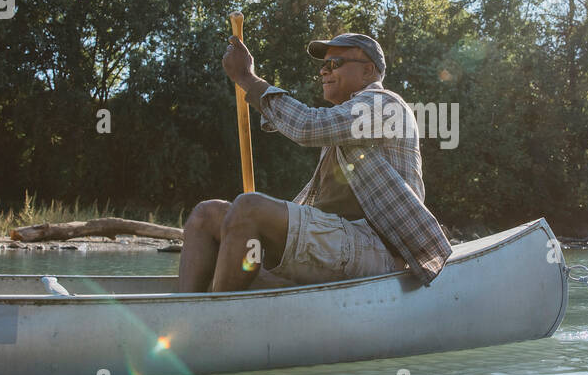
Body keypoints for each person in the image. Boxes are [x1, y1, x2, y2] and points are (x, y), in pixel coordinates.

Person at [177, 31, 452, 293]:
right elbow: (304, 124)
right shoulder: (345, 124)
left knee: (248, 208)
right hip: (337, 242)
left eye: (335, 63)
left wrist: (247, 78)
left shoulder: (385, 106)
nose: (323, 71)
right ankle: (186, 309)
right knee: (206, 214)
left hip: (378, 250)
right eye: (324, 65)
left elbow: (307, 126)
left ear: (368, 71)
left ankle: (217, 321)